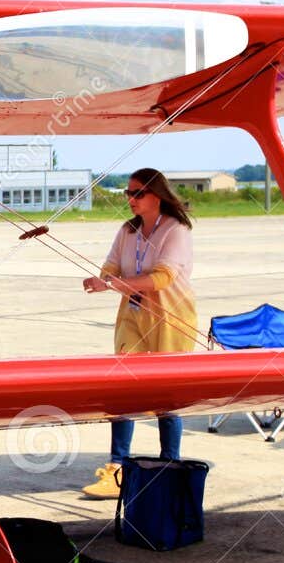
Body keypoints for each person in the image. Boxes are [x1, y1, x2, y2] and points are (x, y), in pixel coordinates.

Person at [79, 168, 198, 499]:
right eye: (127, 194)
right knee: (123, 391)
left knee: (166, 398)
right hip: (132, 315)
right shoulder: (127, 230)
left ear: (155, 196)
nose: (130, 200)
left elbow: (161, 279)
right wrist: (101, 280)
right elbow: (112, 267)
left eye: (137, 194)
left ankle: (170, 466)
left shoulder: (176, 230)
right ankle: (117, 467)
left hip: (171, 318)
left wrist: (115, 284)